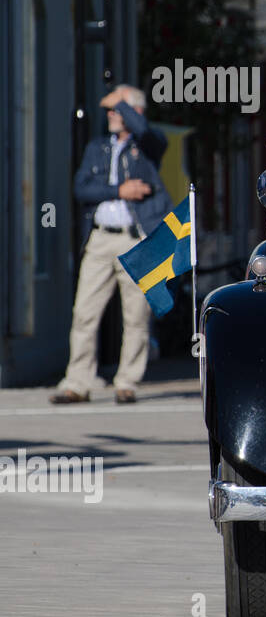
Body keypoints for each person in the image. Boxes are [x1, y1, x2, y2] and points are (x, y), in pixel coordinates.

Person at [50, 85, 170, 405]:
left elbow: (144, 130)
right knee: (85, 311)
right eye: (110, 110)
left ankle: (127, 381)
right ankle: (77, 381)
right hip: (101, 237)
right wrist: (120, 190)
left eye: (118, 109)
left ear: (135, 112)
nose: (111, 114)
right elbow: (81, 189)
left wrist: (120, 101)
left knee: (136, 314)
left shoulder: (149, 144)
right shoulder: (98, 148)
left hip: (136, 237)